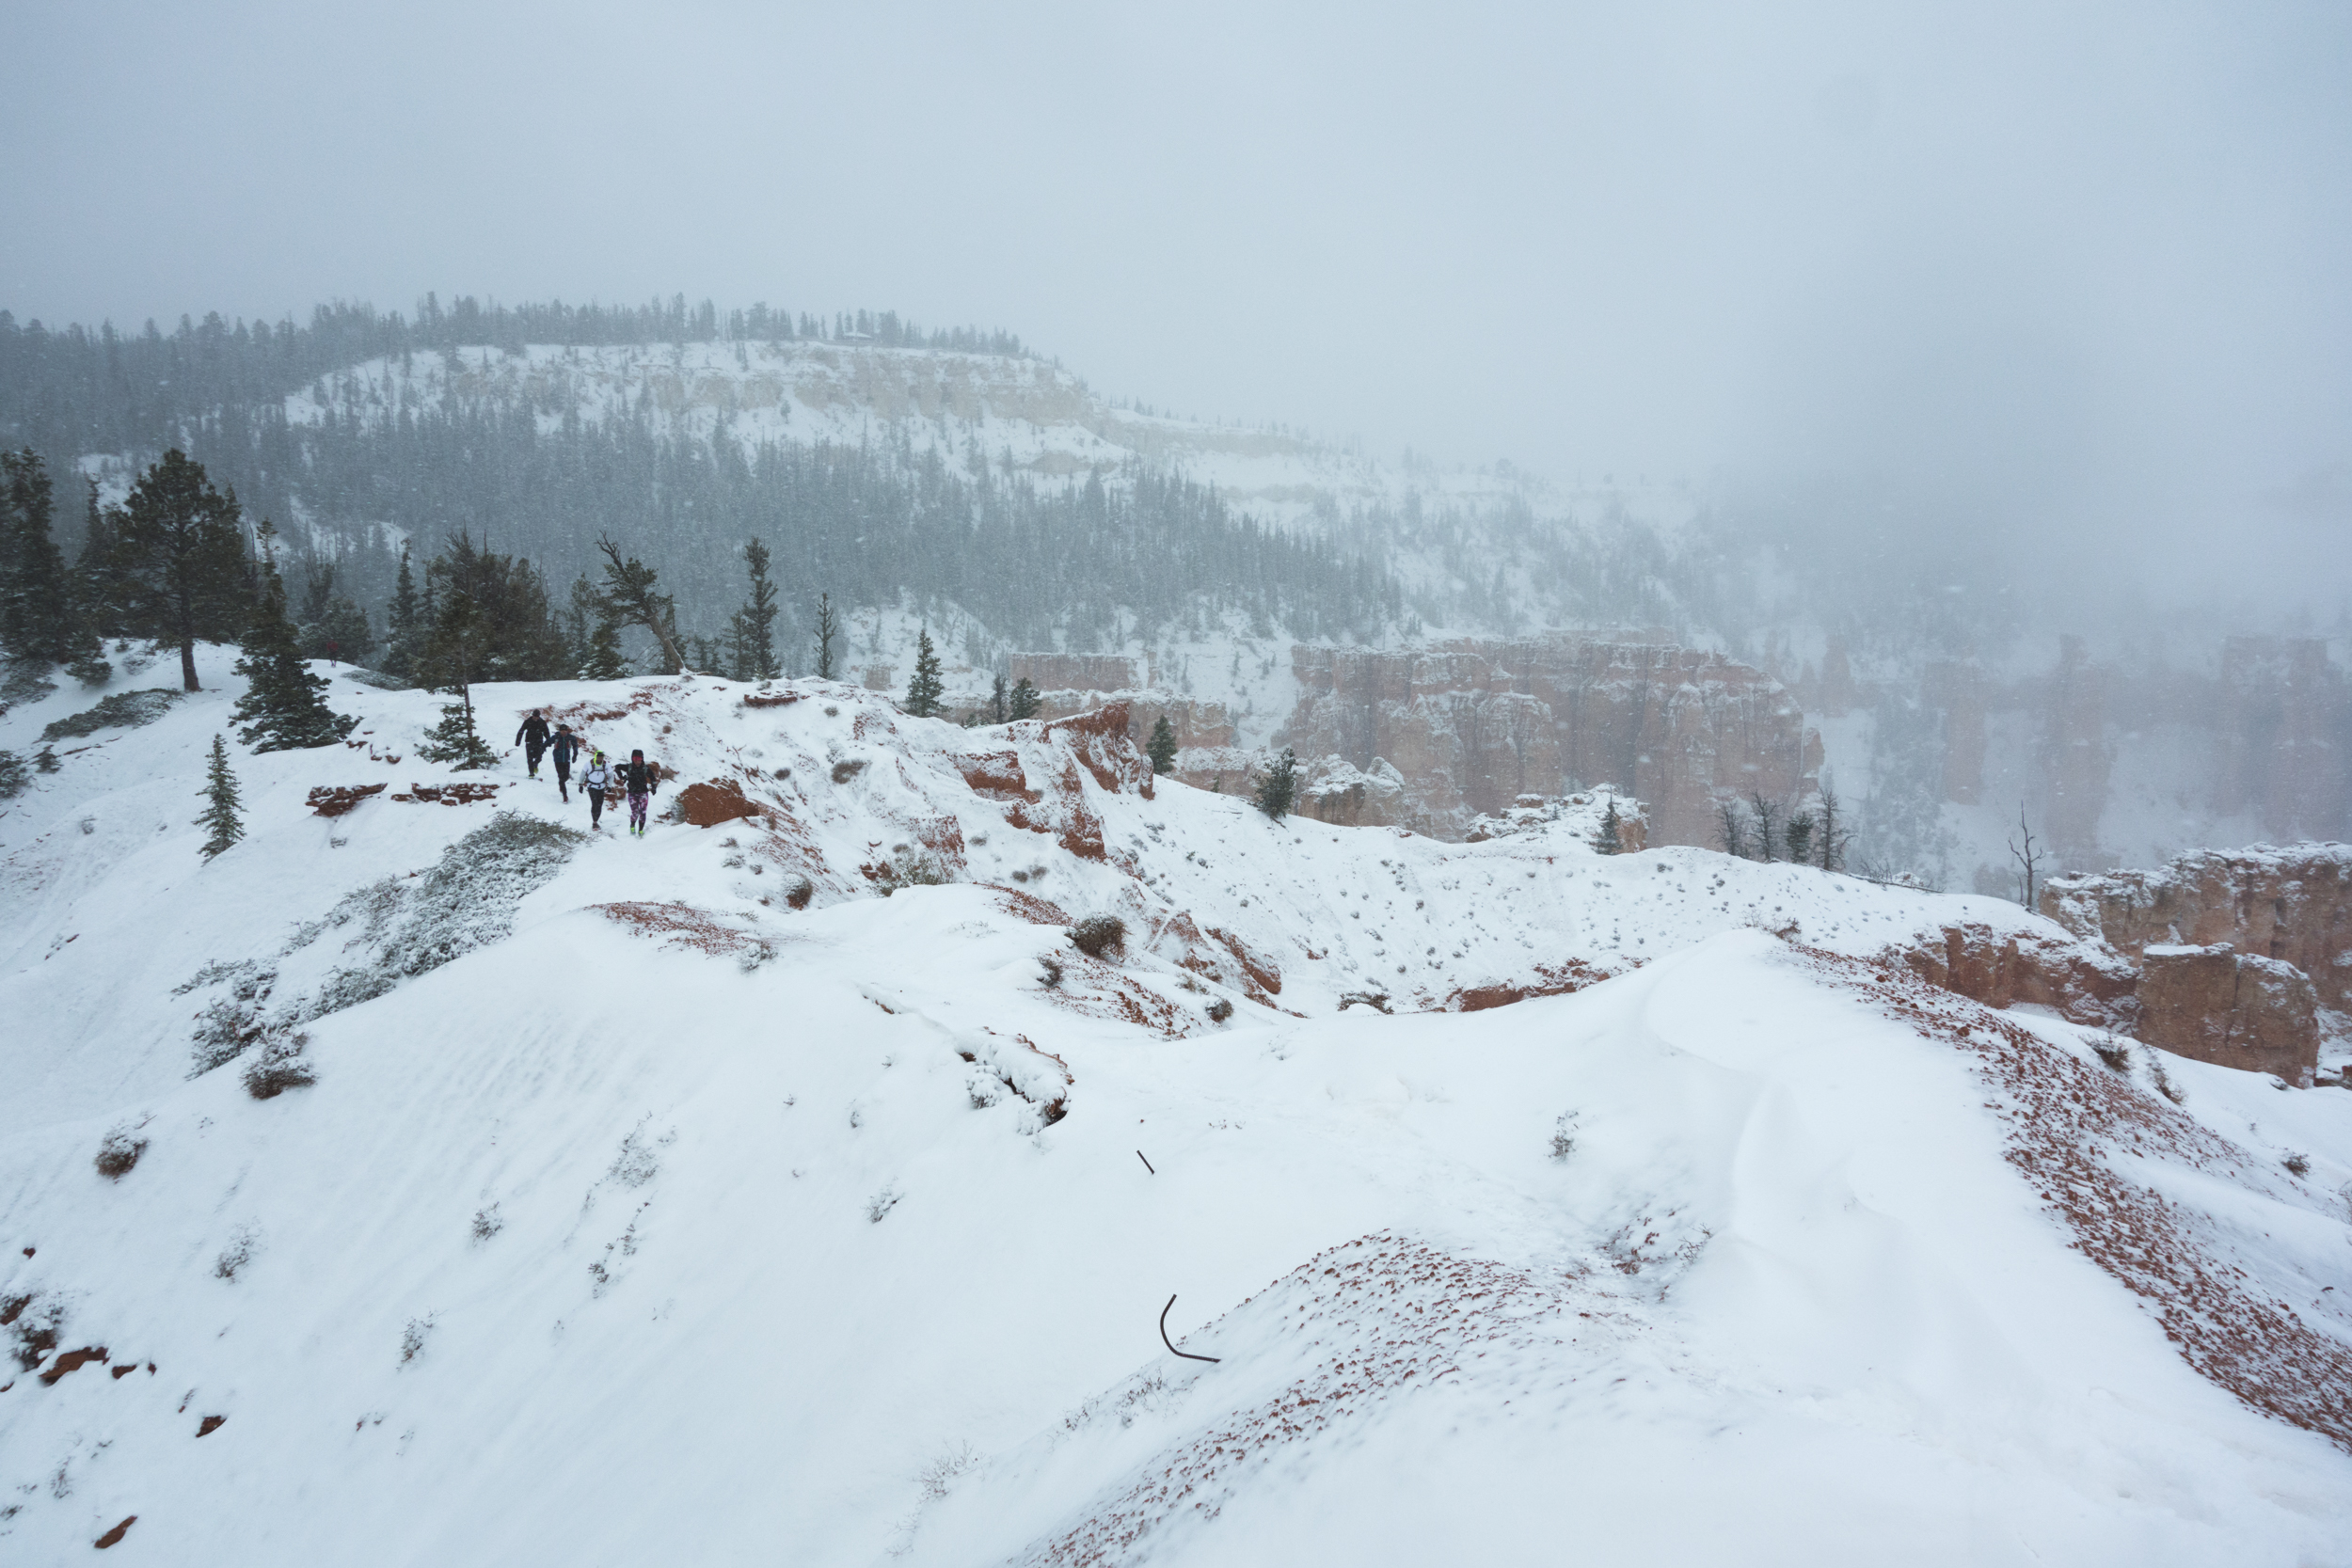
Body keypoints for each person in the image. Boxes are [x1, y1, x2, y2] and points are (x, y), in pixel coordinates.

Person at [621, 748, 661, 837]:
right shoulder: (629, 767)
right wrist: (622, 777)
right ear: (632, 759)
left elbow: (652, 778)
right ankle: (632, 825)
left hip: (643, 793)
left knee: (643, 813)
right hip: (632, 793)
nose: (637, 761)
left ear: (642, 759)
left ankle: (640, 830)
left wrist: (654, 787)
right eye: (635, 759)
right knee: (635, 813)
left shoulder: (645, 768)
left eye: (639, 759)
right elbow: (617, 767)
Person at [516, 709, 552, 779]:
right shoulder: (528, 722)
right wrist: (518, 742)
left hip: (539, 742)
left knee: (539, 757)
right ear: (532, 715)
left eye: (537, 717)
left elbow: (546, 732)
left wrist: (549, 741)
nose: (536, 718)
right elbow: (521, 731)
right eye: (534, 716)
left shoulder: (542, 722)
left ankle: (535, 764)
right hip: (529, 742)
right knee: (529, 758)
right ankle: (531, 773)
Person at [581, 750, 612, 830]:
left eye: (601, 757)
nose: (600, 759)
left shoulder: (606, 765)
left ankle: (596, 820)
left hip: (601, 787)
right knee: (594, 803)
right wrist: (580, 784)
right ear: (595, 756)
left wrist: (609, 786)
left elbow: (611, 776)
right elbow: (583, 774)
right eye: (598, 757)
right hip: (591, 786)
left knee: (600, 804)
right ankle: (594, 822)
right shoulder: (588, 764)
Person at [550, 722, 581, 801]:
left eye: (565, 731)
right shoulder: (556, 737)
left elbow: (575, 746)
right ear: (560, 731)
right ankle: (565, 796)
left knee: (566, 776)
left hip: (566, 760)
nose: (564, 732)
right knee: (561, 777)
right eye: (562, 730)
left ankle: (561, 784)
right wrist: (542, 748)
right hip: (557, 760)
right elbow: (548, 742)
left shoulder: (570, 738)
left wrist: (575, 755)